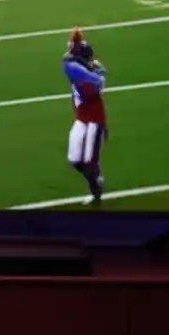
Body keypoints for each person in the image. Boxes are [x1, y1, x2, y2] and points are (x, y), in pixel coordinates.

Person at [62, 27, 108, 205]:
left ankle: (96, 192)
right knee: (74, 159)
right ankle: (95, 175)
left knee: (89, 162)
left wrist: (90, 71)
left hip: (94, 121)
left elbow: (94, 86)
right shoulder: (84, 71)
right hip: (81, 119)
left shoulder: (89, 78)